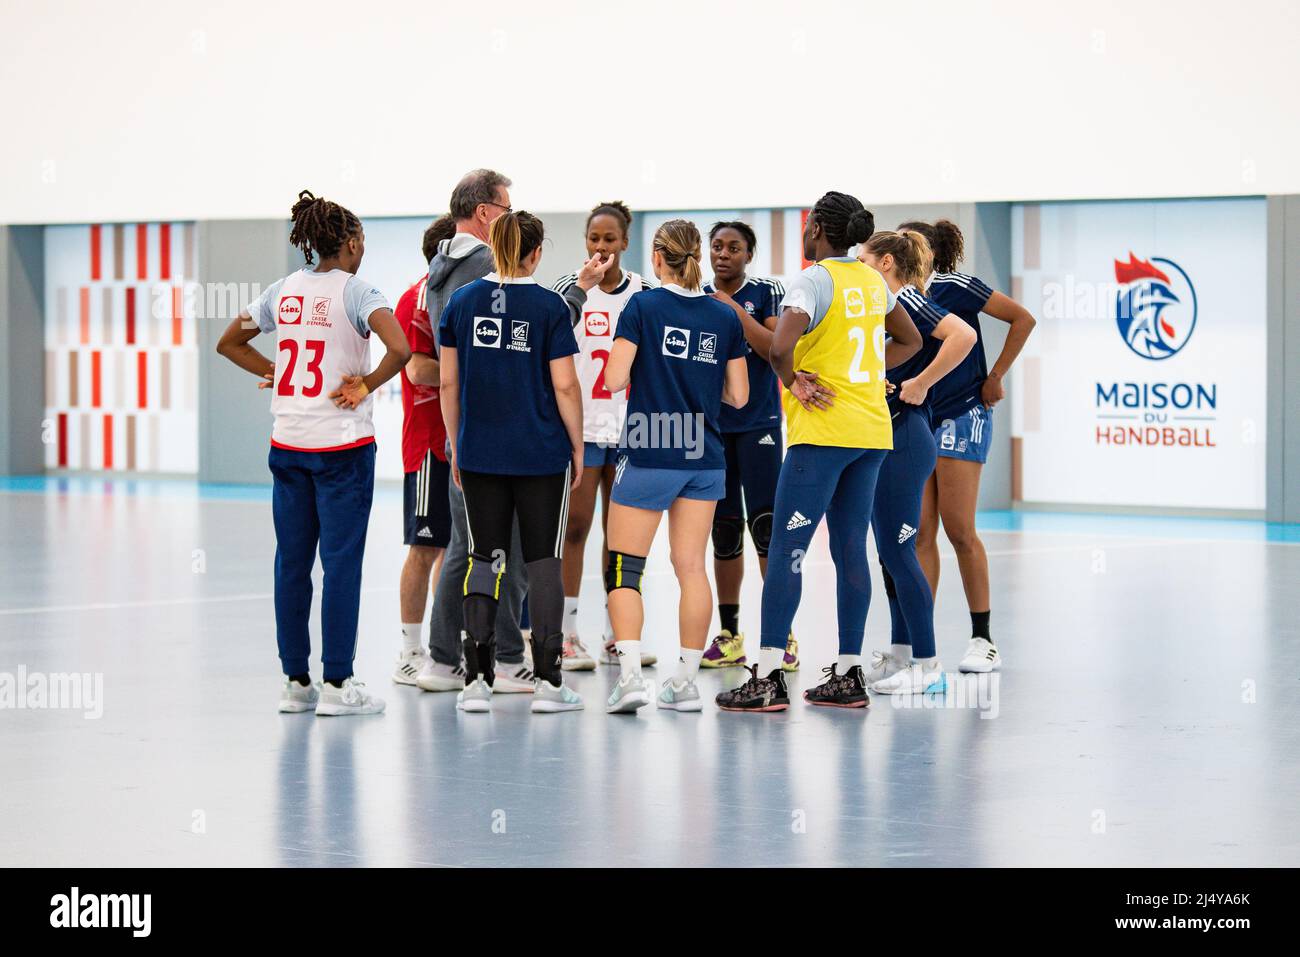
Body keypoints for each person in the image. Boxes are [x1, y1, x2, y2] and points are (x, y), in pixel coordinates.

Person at [714, 191, 921, 713]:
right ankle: (850, 674)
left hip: (823, 433)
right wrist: (866, 376)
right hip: (871, 433)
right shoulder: (873, 281)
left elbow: (778, 347)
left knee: (787, 549)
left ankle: (764, 676)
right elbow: (910, 341)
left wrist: (794, 380)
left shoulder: (812, 280)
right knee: (851, 548)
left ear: (814, 231)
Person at [216, 190, 410, 716]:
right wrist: (365, 384)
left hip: (288, 443)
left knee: (292, 563)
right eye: (362, 241)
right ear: (349, 243)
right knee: (341, 564)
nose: (363, 250)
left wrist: (274, 373)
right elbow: (402, 348)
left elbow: (229, 341)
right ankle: (339, 685)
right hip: (342, 446)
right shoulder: (359, 291)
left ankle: (296, 682)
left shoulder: (282, 291)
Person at [438, 210, 586, 714]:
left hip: (479, 453)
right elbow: (565, 384)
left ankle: (476, 682)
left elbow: (448, 383)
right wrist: (578, 445)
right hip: (541, 455)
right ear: (537, 253)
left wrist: (456, 443)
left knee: (484, 557)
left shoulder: (462, 301)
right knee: (544, 560)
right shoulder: (549, 307)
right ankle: (549, 684)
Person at [601, 219, 749, 713]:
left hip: (649, 449)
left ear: (658, 258)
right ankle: (685, 684)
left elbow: (616, 377)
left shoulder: (641, 306)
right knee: (692, 569)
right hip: (704, 454)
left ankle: (628, 680)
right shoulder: (724, 316)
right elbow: (739, 394)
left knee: (626, 568)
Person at [418, 170, 539, 695]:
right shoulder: (489, 267)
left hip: (463, 429)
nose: (513, 217)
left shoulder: (437, 271)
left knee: (463, 548)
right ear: (487, 212)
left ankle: (443, 661)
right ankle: (508, 660)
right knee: (506, 549)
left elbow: (446, 370)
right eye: (508, 208)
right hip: (501, 428)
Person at [897, 219, 1036, 674]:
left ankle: (983, 638)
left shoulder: (956, 286)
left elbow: (1023, 317)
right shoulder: (897, 296)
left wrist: (995, 376)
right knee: (918, 533)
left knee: (959, 529)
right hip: (918, 419)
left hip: (963, 414)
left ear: (928, 252)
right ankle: (921, 645)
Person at [857, 230, 976, 693]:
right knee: (890, 553)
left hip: (906, 436)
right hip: (887, 434)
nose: (858, 265)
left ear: (886, 262)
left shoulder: (904, 296)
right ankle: (903, 653)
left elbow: (962, 335)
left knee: (899, 552)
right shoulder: (878, 302)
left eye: (864, 258)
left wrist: (923, 382)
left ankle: (927, 669)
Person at [551, 201, 656, 672]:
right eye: (594, 238)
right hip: (583, 429)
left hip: (630, 431)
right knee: (575, 527)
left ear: (624, 243)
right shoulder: (566, 291)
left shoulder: (645, 294)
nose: (600, 247)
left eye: (609, 239)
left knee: (622, 535)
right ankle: (567, 632)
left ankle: (619, 633)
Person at [699, 221, 799, 673]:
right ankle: (730, 633)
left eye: (733, 247)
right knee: (724, 531)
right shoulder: (697, 295)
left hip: (758, 423)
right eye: (717, 246)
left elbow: (773, 349)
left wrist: (735, 312)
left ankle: (784, 638)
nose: (723, 254)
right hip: (715, 427)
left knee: (765, 528)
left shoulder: (767, 293)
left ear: (748, 254)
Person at [392, 214, 456, 685]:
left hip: (463, 441)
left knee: (455, 547)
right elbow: (417, 370)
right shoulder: (417, 298)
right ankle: (409, 649)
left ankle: (441, 642)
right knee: (425, 546)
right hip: (431, 444)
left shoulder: (461, 296)